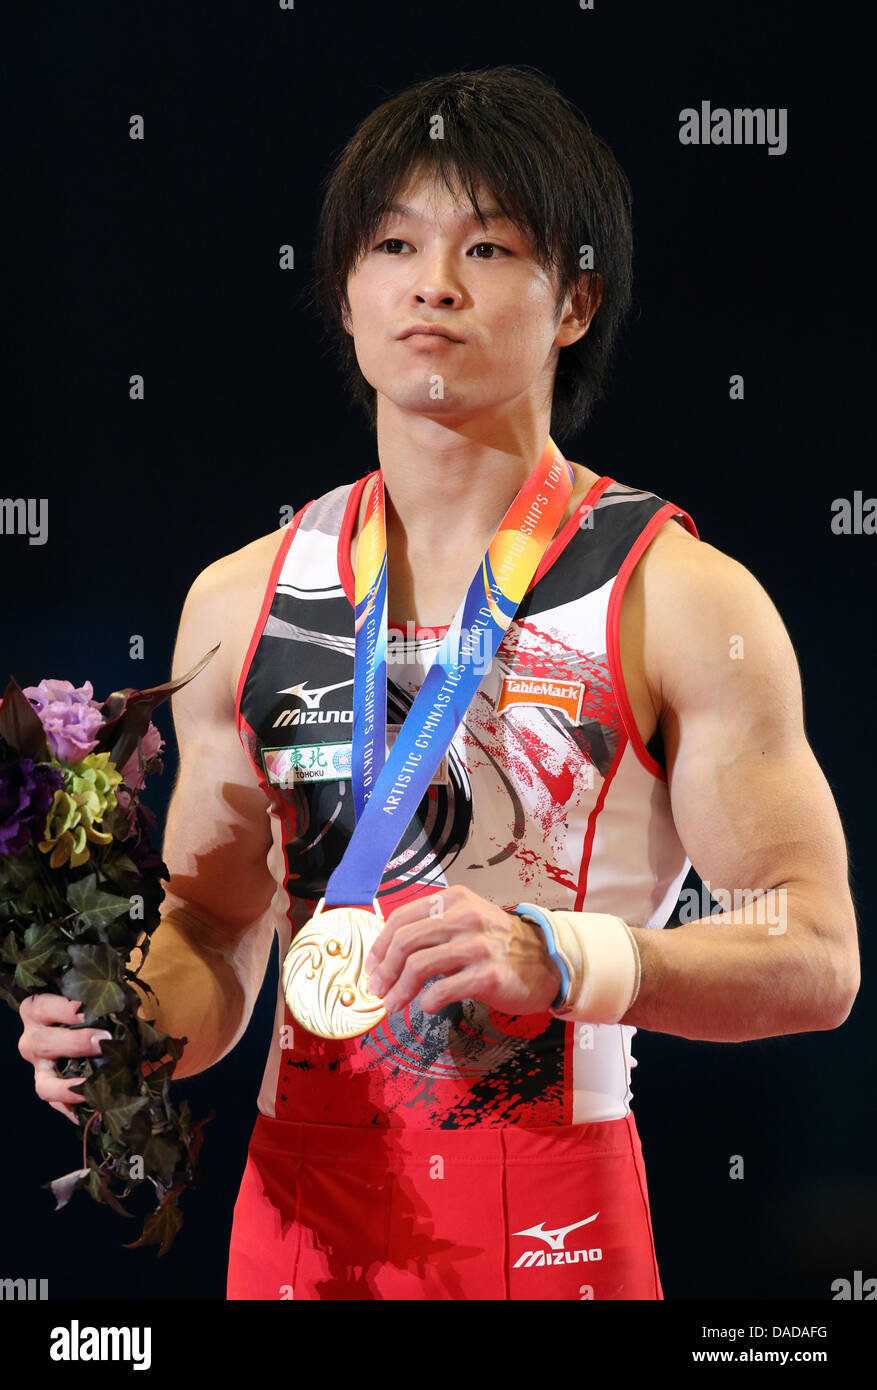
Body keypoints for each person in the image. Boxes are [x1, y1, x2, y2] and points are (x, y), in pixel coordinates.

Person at [18, 66, 859, 1301]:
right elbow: (215, 928)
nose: (434, 283)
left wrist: (564, 958)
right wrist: (123, 1028)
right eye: (395, 243)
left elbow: (815, 952)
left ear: (574, 301)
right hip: (297, 1212)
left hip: (552, 1210)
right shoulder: (244, 597)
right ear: (347, 297)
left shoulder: (677, 596)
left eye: (490, 247)